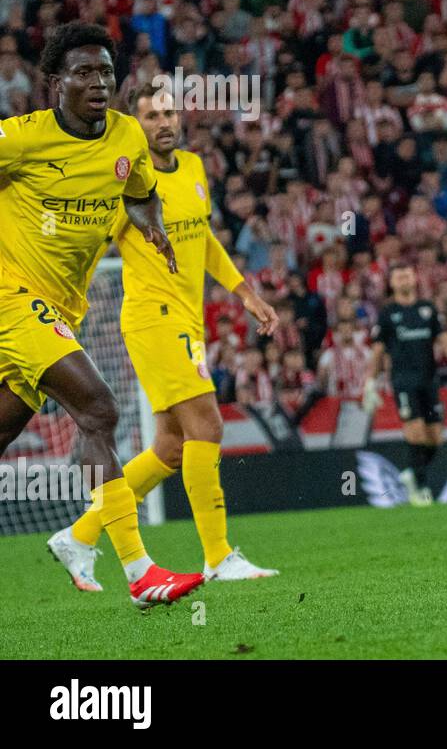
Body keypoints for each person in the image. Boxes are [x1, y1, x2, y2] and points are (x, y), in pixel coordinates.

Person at [48, 81, 281, 591]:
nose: (164, 123)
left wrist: (246, 293)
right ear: (136, 125)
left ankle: (80, 535)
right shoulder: (127, 181)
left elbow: (205, 240)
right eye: (152, 116)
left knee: (172, 448)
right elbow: (91, 246)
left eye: (170, 112)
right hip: (153, 319)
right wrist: (66, 305)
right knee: (209, 427)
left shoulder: (195, 170)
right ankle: (218, 556)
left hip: (187, 320)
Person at [0, 23, 203, 607]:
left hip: (60, 306)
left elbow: (140, 192)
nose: (98, 83)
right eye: (84, 73)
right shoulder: (22, 139)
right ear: (55, 82)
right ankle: (141, 573)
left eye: (107, 73)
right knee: (99, 407)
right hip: (12, 299)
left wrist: (154, 226)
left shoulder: (128, 137)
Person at [364, 264, 447, 505]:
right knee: (415, 431)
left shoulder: (427, 309)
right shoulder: (387, 314)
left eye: (406, 274)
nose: (404, 278)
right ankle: (421, 490)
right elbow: (377, 351)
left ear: (414, 278)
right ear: (392, 283)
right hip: (403, 381)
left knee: (436, 437)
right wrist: (370, 384)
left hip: (429, 380)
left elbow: (443, 337)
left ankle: (412, 473)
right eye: (398, 276)